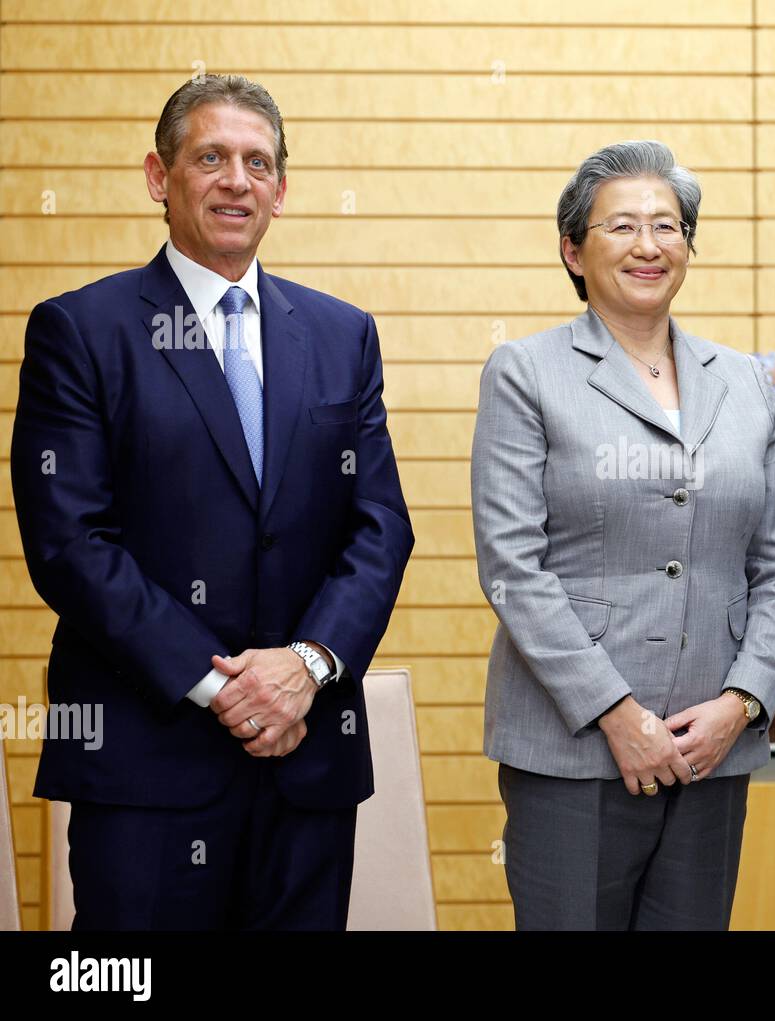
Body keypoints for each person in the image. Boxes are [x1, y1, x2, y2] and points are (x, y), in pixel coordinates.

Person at [9, 75, 414, 929]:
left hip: (306, 763)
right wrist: (221, 685)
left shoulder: (344, 334)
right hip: (148, 766)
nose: (238, 179)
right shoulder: (81, 330)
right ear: (161, 177)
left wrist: (303, 666)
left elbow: (380, 528)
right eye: (212, 157)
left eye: (258, 162)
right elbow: (70, 543)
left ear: (281, 188)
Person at [471, 140, 775, 930]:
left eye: (668, 225)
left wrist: (743, 700)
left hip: (712, 748)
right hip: (571, 751)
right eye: (621, 226)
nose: (648, 245)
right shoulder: (525, 371)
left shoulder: (745, 381)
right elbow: (513, 567)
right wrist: (618, 714)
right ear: (573, 249)